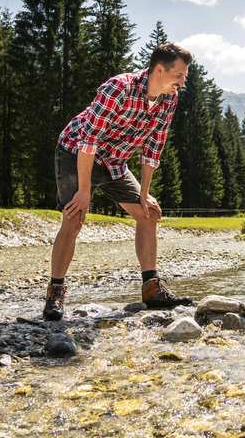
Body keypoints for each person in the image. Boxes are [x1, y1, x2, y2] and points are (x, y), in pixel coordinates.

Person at [43, 43, 193, 321]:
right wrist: (84, 191)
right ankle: (55, 293)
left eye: (184, 76)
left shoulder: (169, 100)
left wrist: (144, 194)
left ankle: (151, 289)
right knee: (74, 217)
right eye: (179, 75)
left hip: (114, 161)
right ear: (160, 70)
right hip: (76, 152)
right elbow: (88, 141)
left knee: (149, 213)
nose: (183, 82)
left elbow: (153, 149)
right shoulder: (119, 88)